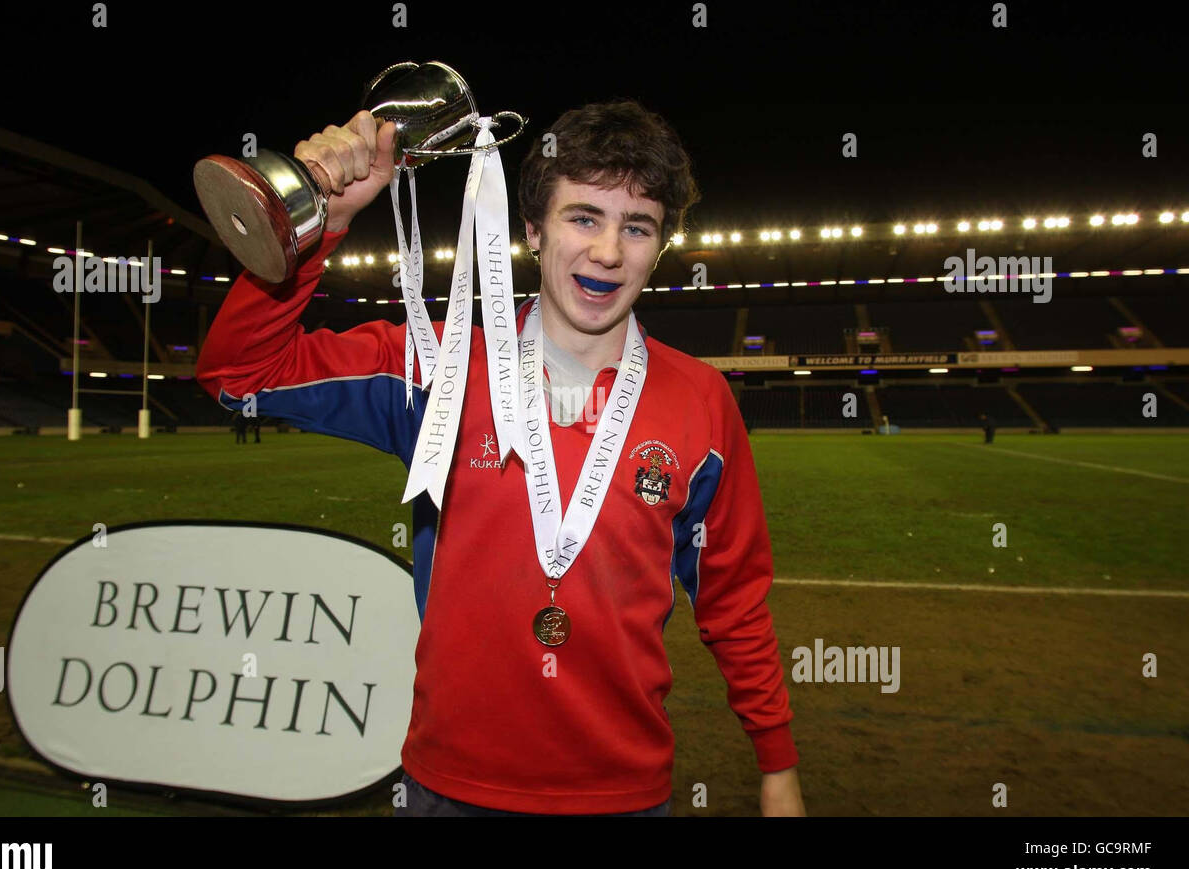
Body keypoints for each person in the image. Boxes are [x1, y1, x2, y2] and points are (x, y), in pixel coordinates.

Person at [196, 101, 803, 817]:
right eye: (583, 217)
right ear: (532, 232)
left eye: (636, 227)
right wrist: (321, 225)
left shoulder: (701, 401)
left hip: (622, 796)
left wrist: (778, 766)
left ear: (659, 246)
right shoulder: (435, 366)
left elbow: (731, 599)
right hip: (449, 789)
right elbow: (241, 376)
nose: (608, 252)